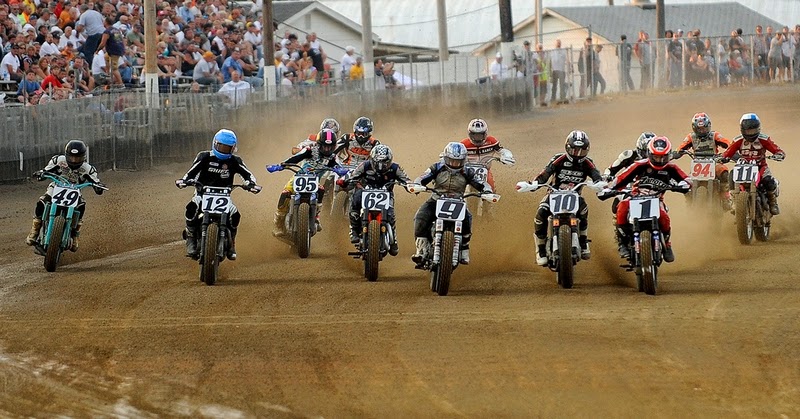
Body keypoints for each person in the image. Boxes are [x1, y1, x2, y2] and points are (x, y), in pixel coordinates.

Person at [518, 130, 604, 266]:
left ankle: (583, 240)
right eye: (574, 150)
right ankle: (540, 249)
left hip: (575, 196)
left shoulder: (588, 163)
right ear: (567, 147)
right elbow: (545, 173)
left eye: (581, 151)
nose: (577, 154)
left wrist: (599, 184)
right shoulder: (558, 159)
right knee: (541, 213)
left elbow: (596, 175)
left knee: (584, 210)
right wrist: (533, 184)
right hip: (553, 194)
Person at [175, 129, 261, 260]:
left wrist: (251, 184)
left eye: (227, 148)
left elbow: (248, 175)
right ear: (215, 144)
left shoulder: (235, 161)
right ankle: (191, 236)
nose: (224, 150)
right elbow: (191, 172)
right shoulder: (204, 157)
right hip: (202, 194)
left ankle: (232, 242)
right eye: (221, 146)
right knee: (191, 208)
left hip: (224, 197)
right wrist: (185, 180)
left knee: (235, 215)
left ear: (233, 149)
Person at [605, 136, 691, 262]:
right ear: (649, 154)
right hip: (635, 198)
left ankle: (667, 244)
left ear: (668, 156)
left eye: (663, 157)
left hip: (657, 200)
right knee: (622, 206)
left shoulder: (671, 168)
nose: (659, 160)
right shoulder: (639, 165)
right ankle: (622, 243)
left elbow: (687, 179)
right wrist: (609, 188)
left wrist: (684, 185)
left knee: (664, 217)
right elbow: (622, 178)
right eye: (656, 156)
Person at [408, 142, 492, 266]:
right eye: (452, 161)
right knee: (420, 217)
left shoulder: (467, 172)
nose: (455, 164)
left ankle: (464, 249)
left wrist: (487, 191)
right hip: (436, 200)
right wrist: (417, 185)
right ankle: (421, 250)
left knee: (468, 219)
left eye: (458, 162)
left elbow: (481, 183)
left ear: (463, 161)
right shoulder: (437, 167)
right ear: (446, 158)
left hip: (458, 202)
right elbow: (422, 177)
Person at [27, 140, 106, 252]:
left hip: (75, 192)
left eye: (77, 158)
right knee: (42, 202)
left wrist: (98, 186)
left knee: (81, 205)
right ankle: (35, 230)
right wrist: (41, 174)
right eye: (72, 157)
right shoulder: (58, 161)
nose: (74, 160)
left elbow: (96, 181)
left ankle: (75, 236)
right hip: (56, 188)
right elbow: (46, 171)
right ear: (66, 155)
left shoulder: (88, 169)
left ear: (83, 157)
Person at [337, 145, 411, 251]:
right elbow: (353, 174)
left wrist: (410, 186)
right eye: (378, 162)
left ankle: (393, 238)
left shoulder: (395, 168)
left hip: (386, 194)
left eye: (384, 162)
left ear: (389, 160)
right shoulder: (365, 165)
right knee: (356, 199)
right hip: (365, 192)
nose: (381, 166)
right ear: (372, 159)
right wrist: (344, 180)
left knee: (390, 214)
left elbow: (406, 179)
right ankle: (354, 230)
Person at [269, 129, 340, 237]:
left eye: (329, 147)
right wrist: (280, 166)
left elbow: (339, 167)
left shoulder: (332, 158)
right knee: (285, 193)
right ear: (319, 144)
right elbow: (295, 158)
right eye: (324, 146)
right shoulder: (309, 150)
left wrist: (341, 171)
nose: (327, 149)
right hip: (298, 177)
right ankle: (278, 223)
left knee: (321, 190)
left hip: (314, 181)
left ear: (334, 146)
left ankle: (316, 216)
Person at [721, 113, 785, 215]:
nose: (750, 134)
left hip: (761, 167)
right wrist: (723, 158)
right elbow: (728, 152)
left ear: (758, 129)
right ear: (742, 130)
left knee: (768, 181)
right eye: (747, 131)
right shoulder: (738, 140)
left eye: (753, 131)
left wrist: (779, 154)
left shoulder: (764, 139)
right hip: (743, 167)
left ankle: (773, 202)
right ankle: (734, 202)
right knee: (732, 175)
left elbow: (776, 149)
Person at [673, 113, 734, 207]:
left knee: (723, 172)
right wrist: (676, 153)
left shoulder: (715, 135)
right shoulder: (691, 137)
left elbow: (728, 144)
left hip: (714, 162)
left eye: (704, 128)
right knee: (687, 183)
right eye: (699, 129)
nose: (702, 131)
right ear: (694, 128)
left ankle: (725, 197)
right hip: (697, 165)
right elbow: (681, 147)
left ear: (708, 126)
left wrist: (728, 153)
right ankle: (689, 202)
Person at [459, 118, 515, 194]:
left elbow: (502, 151)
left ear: (485, 134)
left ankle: (488, 204)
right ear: (470, 134)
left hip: (485, 171)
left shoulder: (491, 141)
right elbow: (455, 152)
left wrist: (507, 156)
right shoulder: (464, 144)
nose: (477, 138)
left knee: (490, 189)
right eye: (475, 135)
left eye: (480, 135)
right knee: (458, 187)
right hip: (467, 171)